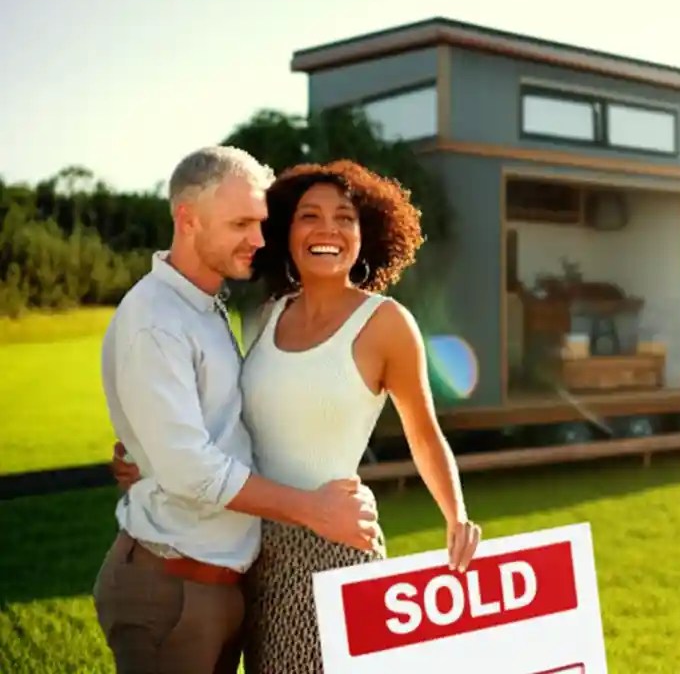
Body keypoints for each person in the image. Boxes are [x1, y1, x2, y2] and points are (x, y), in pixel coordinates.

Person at [113, 158, 482, 673]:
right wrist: (150, 458)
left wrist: (456, 514)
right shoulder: (267, 315)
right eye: (310, 216)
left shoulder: (386, 323)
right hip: (248, 551)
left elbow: (423, 432)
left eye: (345, 217)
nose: (328, 229)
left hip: (333, 545)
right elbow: (231, 419)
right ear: (285, 231)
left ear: (365, 233)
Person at [95, 146, 383, 674]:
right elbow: (192, 470)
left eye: (261, 223)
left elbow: (219, 428)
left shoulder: (206, 307)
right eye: (241, 223)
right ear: (187, 219)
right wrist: (317, 510)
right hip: (172, 588)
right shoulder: (157, 320)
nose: (258, 238)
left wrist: (149, 459)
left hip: (221, 588)